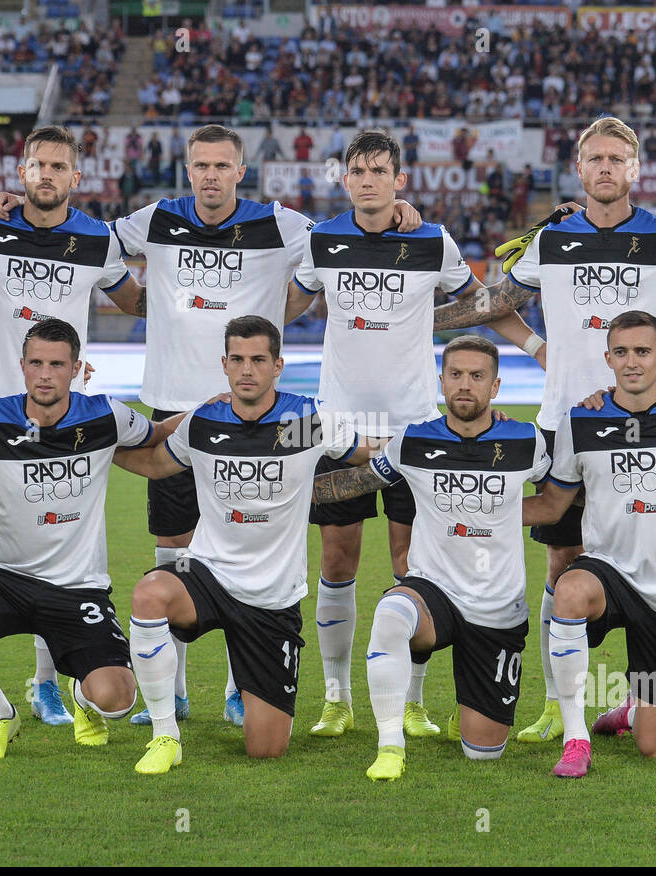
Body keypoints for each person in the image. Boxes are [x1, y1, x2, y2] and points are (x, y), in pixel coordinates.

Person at [0, 124, 422, 727]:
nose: (211, 175)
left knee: (250, 544)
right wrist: (14, 208)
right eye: (201, 165)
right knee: (174, 551)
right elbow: (83, 237)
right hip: (173, 412)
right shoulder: (155, 220)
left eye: (223, 165)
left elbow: (351, 229)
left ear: (240, 170)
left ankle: (242, 686)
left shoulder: (281, 224)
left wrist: (394, 207)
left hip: (252, 413)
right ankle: (179, 691)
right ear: (188, 170)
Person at [440, 117, 656, 747]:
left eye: (616, 158)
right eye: (595, 158)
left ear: (635, 169)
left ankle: (643, 702)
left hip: (648, 424)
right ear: (579, 168)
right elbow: (492, 304)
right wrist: (412, 316)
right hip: (565, 425)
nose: (605, 168)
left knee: (652, 552)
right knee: (565, 564)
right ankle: (556, 705)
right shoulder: (553, 239)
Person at [287, 128, 542, 739]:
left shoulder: (433, 242)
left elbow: (481, 303)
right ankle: (338, 698)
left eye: (381, 170)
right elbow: (282, 308)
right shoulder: (322, 241)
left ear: (400, 180)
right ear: (345, 180)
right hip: (340, 430)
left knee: (411, 565)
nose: (369, 179)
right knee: (338, 560)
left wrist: (536, 346)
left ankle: (411, 702)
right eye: (358, 170)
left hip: (414, 433)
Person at [0, 125, 144, 733]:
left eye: (58, 166)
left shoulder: (97, 239)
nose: (46, 174)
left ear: (76, 177)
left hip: (65, 417)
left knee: (55, 553)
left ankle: (46, 687)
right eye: (37, 164)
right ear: (21, 171)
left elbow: (140, 302)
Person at [105, 316, 374, 774]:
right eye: (237, 359)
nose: (247, 369)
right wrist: (92, 445)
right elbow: (153, 464)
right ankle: (165, 733)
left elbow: (370, 450)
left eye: (258, 360)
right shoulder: (204, 423)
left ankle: (253, 694)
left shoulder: (304, 422)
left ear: (278, 366)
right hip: (209, 574)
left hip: (273, 597)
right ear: (224, 365)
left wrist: (443, 436)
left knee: (266, 749)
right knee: (150, 593)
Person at [0, 320, 171, 761]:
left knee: (118, 700)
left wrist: (212, 410)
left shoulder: (104, 415)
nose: (45, 374)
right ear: (22, 367)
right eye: (36, 363)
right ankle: (0, 714)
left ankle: (83, 698)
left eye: (56, 364)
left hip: (78, 587)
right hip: (6, 577)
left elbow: (158, 434)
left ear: (76, 369)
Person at [311, 336, 551, 780]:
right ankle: (389, 747)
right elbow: (357, 482)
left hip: (497, 608)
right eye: (455, 375)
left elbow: (557, 497)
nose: (465, 385)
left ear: (495, 386)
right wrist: (286, 492)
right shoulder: (413, 440)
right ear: (440, 381)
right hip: (433, 592)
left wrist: (495, 514)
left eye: (477, 376)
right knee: (390, 612)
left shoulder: (525, 440)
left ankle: (470, 705)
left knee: (484, 753)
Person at [522, 313, 656, 777]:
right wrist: (477, 510)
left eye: (642, 352)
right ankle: (576, 737)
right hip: (609, 573)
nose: (632, 362)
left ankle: (627, 710)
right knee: (569, 589)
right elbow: (553, 506)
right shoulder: (581, 420)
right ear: (608, 359)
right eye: (621, 352)